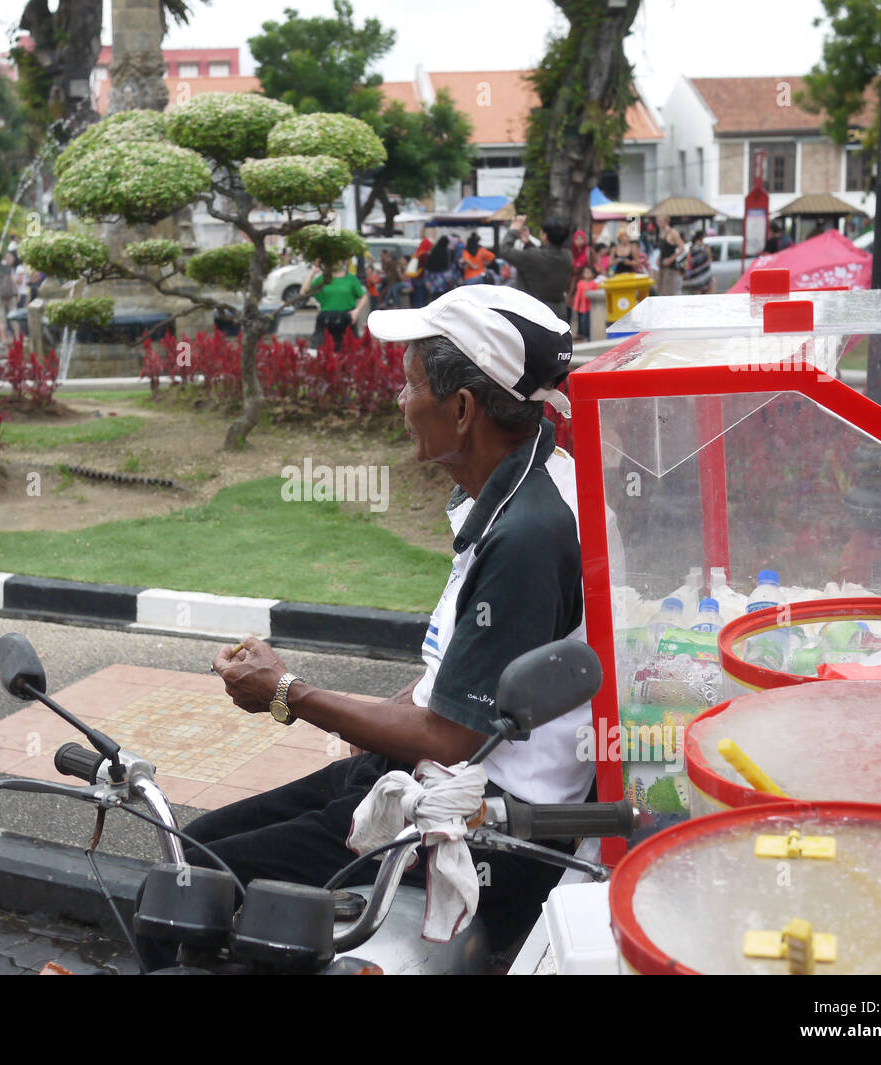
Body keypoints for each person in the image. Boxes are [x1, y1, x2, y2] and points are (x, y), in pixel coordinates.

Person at [171, 285, 587, 965]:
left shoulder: (528, 535)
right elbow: (447, 686)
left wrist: (288, 692)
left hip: (480, 822)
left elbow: (452, 734)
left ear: (461, 409)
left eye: (409, 385)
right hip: (435, 776)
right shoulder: (521, 489)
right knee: (196, 848)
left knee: (200, 874)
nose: (400, 401)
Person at [500, 215, 574, 322]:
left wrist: (514, 229)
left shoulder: (533, 257)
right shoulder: (567, 256)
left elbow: (505, 250)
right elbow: (542, 260)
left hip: (534, 314)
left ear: (545, 236)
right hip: (558, 314)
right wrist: (528, 243)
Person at [302, 258, 368, 349]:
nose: (336, 262)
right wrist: (313, 273)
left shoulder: (351, 279)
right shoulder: (323, 279)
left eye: (338, 259)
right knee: (320, 351)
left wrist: (357, 311)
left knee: (350, 352)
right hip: (326, 320)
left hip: (347, 319)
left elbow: (364, 297)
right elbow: (304, 292)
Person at [655, 214, 687, 296]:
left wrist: (670, 259)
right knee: (660, 291)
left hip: (670, 268)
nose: (658, 223)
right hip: (662, 266)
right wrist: (658, 259)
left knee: (668, 292)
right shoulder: (662, 233)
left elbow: (682, 248)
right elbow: (663, 250)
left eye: (660, 221)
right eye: (657, 221)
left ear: (666, 221)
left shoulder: (673, 232)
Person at [570, 264, 599, 341]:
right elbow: (578, 296)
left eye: (588, 272)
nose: (586, 274)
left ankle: (589, 336)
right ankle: (585, 335)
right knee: (583, 322)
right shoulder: (580, 283)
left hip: (591, 307)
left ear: (593, 274)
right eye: (585, 272)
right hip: (583, 307)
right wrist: (576, 306)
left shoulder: (594, 284)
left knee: (589, 322)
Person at [683, 229, 714, 295]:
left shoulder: (691, 247)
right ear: (702, 237)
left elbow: (688, 261)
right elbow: (710, 259)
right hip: (705, 273)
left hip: (695, 274)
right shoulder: (706, 247)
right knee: (708, 291)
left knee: (697, 293)